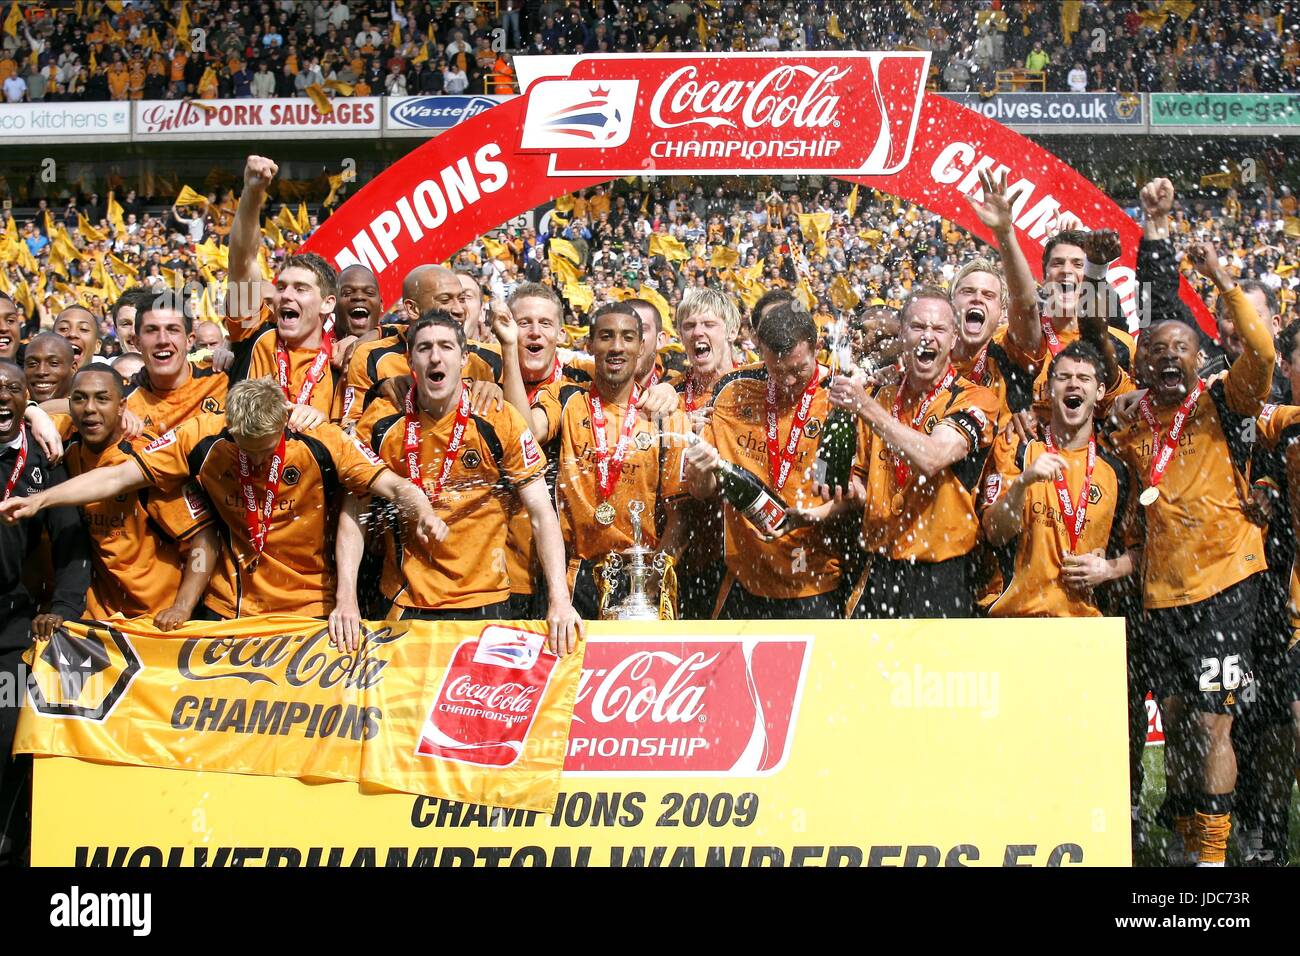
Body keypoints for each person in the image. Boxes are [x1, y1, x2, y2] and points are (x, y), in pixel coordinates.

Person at [0, 378, 439, 624]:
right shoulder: (201, 436)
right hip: (229, 607)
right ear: (229, 426)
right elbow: (115, 477)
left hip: (308, 608)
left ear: (285, 424)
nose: (255, 458)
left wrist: (423, 512)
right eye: (245, 448)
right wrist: (42, 500)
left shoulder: (321, 439)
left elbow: (396, 487)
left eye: (266, 449)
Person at [1106, 240, 1274, 867]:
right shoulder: (1129, 419)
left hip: (1226, 583)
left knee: (1212, 725)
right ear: (1140, 362)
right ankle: (1181, 836)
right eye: (1157, 350)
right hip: (1160, 591)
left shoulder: (1224, 400)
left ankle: (1211, 857)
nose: (1170, 358)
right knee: (1175, 720)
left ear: (1201, 358)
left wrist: (1220, 277)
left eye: (1182, 348)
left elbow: (1260, 351)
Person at [346, 312, 581, 653]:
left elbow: (542, 512)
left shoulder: (498, 418)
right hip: (406, 603)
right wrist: (347, 599)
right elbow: (354, 509)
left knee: (476, 707)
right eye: (424, 348)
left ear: (464, 358)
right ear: (410, 359)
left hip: (486, 602)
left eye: (445, 346)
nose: (436, 356)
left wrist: (559, 599)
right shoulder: (381, 421)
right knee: (407, 707)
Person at [829, 288, 1000, 618]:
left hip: (941, 575)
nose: (928, 337)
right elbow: (864, 484)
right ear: (902, 335)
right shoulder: (881, 395)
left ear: (953, 340)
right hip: (880, 568)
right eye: (918, 327)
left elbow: (933, 457)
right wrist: (845, 491)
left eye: (938, 329)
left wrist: (864, 406)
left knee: (933, 672)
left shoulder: (974, 398)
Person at [686, 303, 858, 619]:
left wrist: (810, 516)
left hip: (815, 581)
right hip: (745, 580)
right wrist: (698, 466)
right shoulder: (732, 389)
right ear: (761, 352)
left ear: (816, 347)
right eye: (778, 371)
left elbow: (853, 494)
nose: (789, 381)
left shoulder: (842, 396)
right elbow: (703, 490)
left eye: (799, 370)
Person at [529, 303, 690, 619]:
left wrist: (648, 583)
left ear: (642, 346)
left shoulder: (666, 417)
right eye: (606, 337)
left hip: (642, 575)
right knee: (571, 668)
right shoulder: (567, 400)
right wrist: (508, 347)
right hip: (575, 577)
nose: (617, 347)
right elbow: (524, 433)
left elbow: (680, 519)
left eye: (627, 338)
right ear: (590, 345)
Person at [0, 360, 89, 866]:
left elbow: (71, 539)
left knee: (9, 736)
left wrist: (63, 608)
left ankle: (8, 846)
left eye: (14, 390)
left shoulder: (42, 457)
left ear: (23, 400)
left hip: (10, 625)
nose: (4, 397)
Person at [982, 340, 1137, 616]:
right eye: (1063, 377)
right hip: (1016, 620)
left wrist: (1108, 569)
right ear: (1049, 390)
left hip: (1084, 627)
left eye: (1084, 378)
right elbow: (994, 532)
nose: (1074, 385)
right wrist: (1023, 483)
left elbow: (1141, 551)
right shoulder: (1018, 447)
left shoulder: (1117, 469)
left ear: (1100, 391)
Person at [63, 366, 219, 625]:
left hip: (158, 621)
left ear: (122, 405)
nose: (89, 408)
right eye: (80, 398)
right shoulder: (65, 450)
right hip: (100, 621)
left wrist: (181, 607)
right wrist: (35, 409)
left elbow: (205, 538)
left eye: (102, 398)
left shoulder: (148, 460)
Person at [227, 155, 344, 424]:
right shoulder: (252, 335)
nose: (287, 295)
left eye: (301, 289)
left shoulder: (343, 360)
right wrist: (253, 192)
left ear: (327, 303)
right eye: (282, 287)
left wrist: (322, 424)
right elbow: (242, 259)